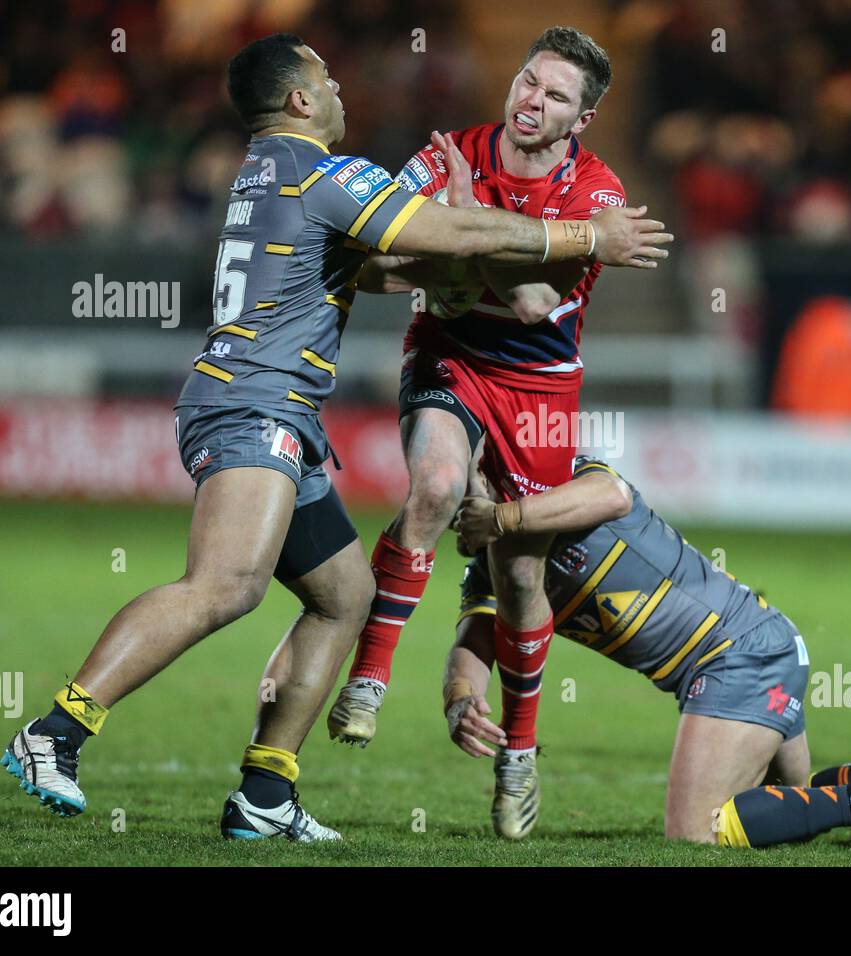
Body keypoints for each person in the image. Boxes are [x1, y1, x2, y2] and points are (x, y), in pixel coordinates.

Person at [0, 33, 671, 843]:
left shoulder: (263, 172)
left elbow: (399, 267)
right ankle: (55, 733)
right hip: (256, 406)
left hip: (281, 411)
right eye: (327, 79)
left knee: (344, 596)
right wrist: (586, 239)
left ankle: (266, 793)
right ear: (299, 103)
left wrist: (462, 241)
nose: (341, 88)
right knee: (226, 586)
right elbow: (447, 244)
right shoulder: (329, 173)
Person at [326, 26, 632, 839]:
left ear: (582, 118)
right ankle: (370, 677)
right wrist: (457, 257)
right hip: (450, 355)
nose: (533, 101)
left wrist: (461, 224)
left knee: (521, 577)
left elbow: (535, 304)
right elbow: (371, 258)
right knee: (432, 485)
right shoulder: (443, 153)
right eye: (529, 82)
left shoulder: (597, 193)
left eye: (556, 96)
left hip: (538, 383)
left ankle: (520, 752)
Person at [445, 457, 851, 846]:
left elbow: (615, 492)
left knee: (696, 831)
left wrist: (504, 515)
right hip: (761, 644)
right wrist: (461, 697)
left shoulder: (557, 480)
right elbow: (472, 643)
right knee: (792, 807)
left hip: (734, 656)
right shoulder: (491, 574)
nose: (454, 512)